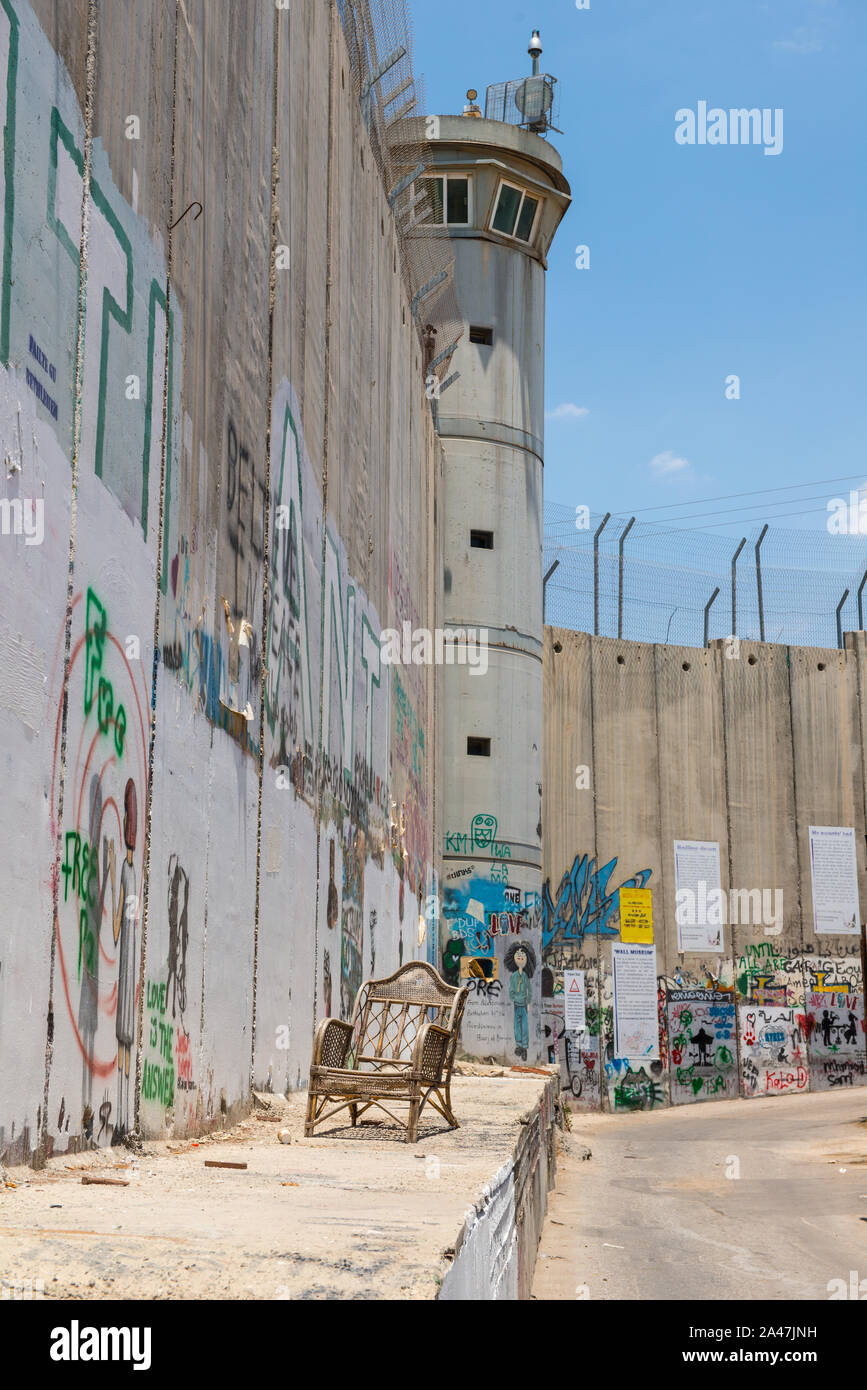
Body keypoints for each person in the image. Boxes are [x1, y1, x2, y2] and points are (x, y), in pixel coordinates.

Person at [109, 779, 138, 1139]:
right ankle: (124, 1118)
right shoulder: (135, 875)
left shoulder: (125, 874)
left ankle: (120, 1118)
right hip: (131, 967)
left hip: (125, 963)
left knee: (122, 1036)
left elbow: (116, 924)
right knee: (127, 1035)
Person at [504, 940, 536, 1061]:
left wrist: (528, 1002)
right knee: (517, 1025)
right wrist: (514, 998)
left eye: (523, 955)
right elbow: (511, 990)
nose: (520, 957)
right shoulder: (514, 976)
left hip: (523, 1004)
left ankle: (525, 1046)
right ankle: (519, 1045)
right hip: (516, 1004)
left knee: (525, 1026)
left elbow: (530, 990)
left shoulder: (526, 977)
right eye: (518, 955)